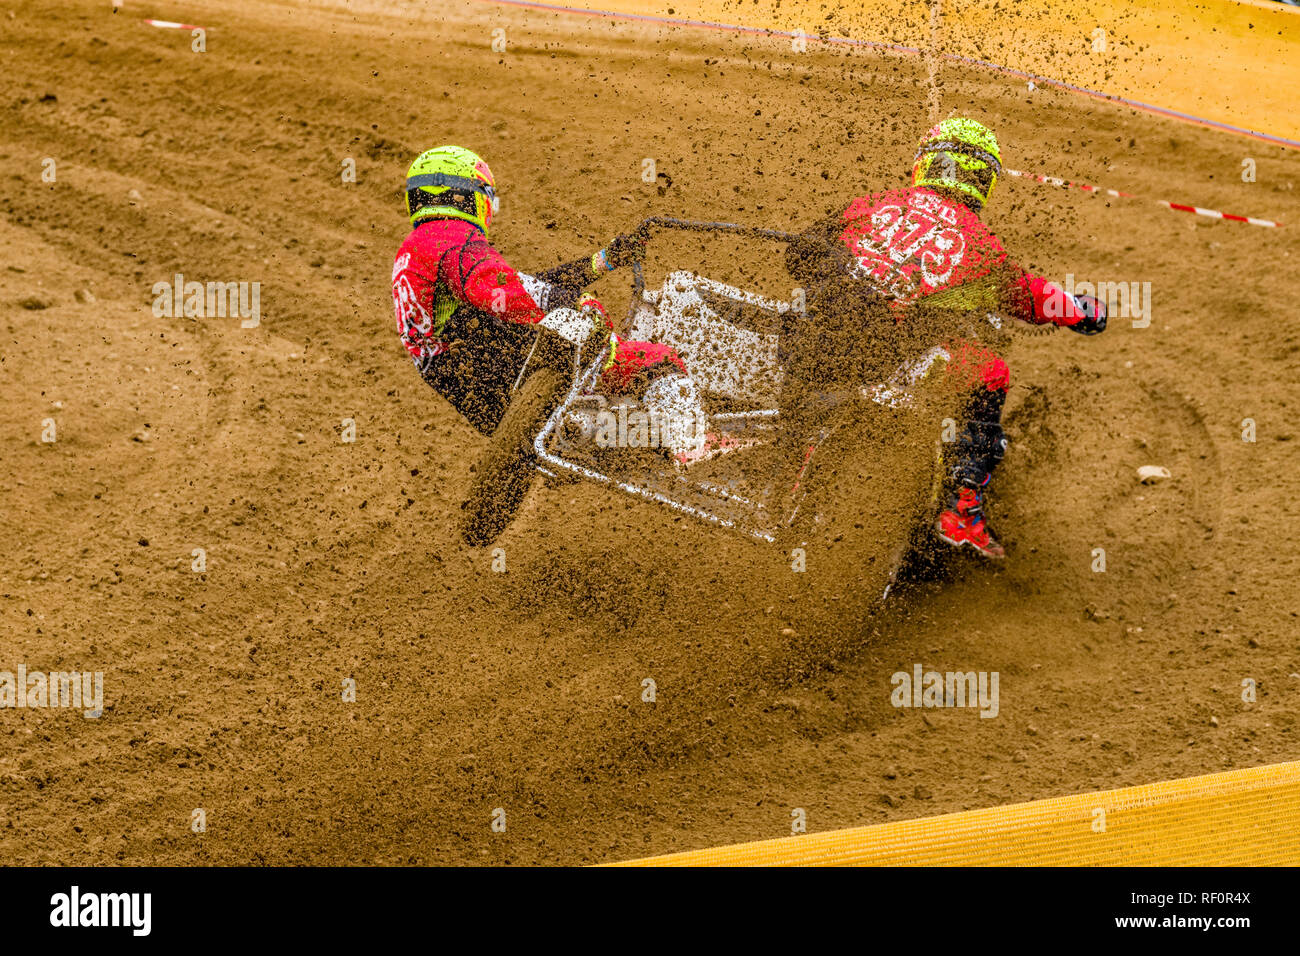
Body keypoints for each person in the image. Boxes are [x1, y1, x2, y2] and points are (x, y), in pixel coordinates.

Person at [784, 117, 1106, 558]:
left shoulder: (876, 202)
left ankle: (789, 446)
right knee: (992, 373)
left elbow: (800, 252)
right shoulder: (980, 244)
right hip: (889, 358)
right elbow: (1028, 298)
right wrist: (1080, 310)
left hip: (812, 341)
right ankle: (961, 510)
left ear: (926, 164)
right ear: (983, 178)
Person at [391, 145, 705, 456]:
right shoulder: (449, 236)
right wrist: (573, 304)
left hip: (471, 389)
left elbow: (514, 287)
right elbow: (499, 292)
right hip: (497, 363)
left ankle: (600, 432)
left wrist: (601, 262)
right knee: (659, 359)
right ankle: (692, 451)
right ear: (468, 195)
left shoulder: (418, 248)